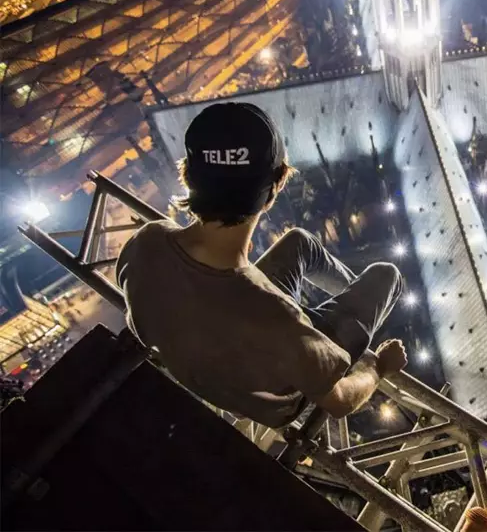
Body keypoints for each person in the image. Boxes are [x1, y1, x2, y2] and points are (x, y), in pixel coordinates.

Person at [116, 102, 407, 428]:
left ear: (189, 175)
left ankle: (341, 311)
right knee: (387, 276)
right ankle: (349, 329)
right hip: (274, 387)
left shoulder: (148, 241)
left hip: (221, 345)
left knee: (299, 242)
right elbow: (339, 401)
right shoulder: (276, 315)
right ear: (276, 187)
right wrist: (379, 366)